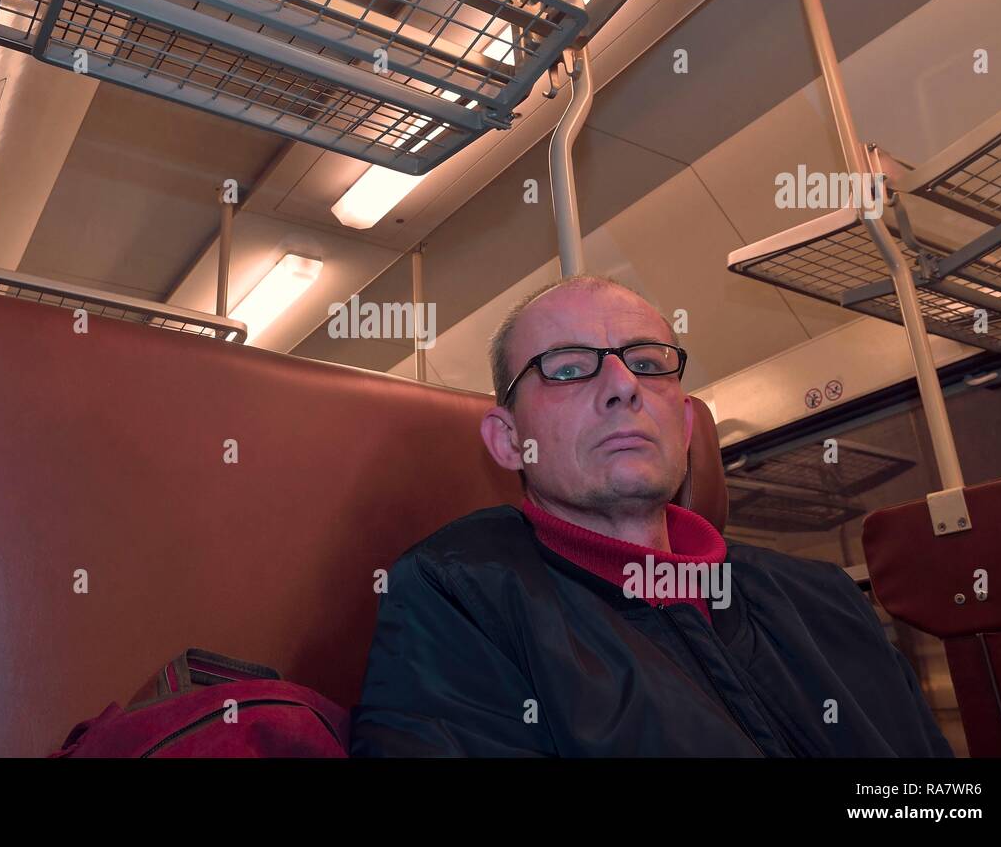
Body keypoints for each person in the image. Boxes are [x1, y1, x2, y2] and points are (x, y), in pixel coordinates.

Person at [349, 275, 952, 757]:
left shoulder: (823, 597)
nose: (622, 385)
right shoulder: (459, 594)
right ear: (508, 441)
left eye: (647, 361)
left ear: (685, 425)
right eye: (565, 367)